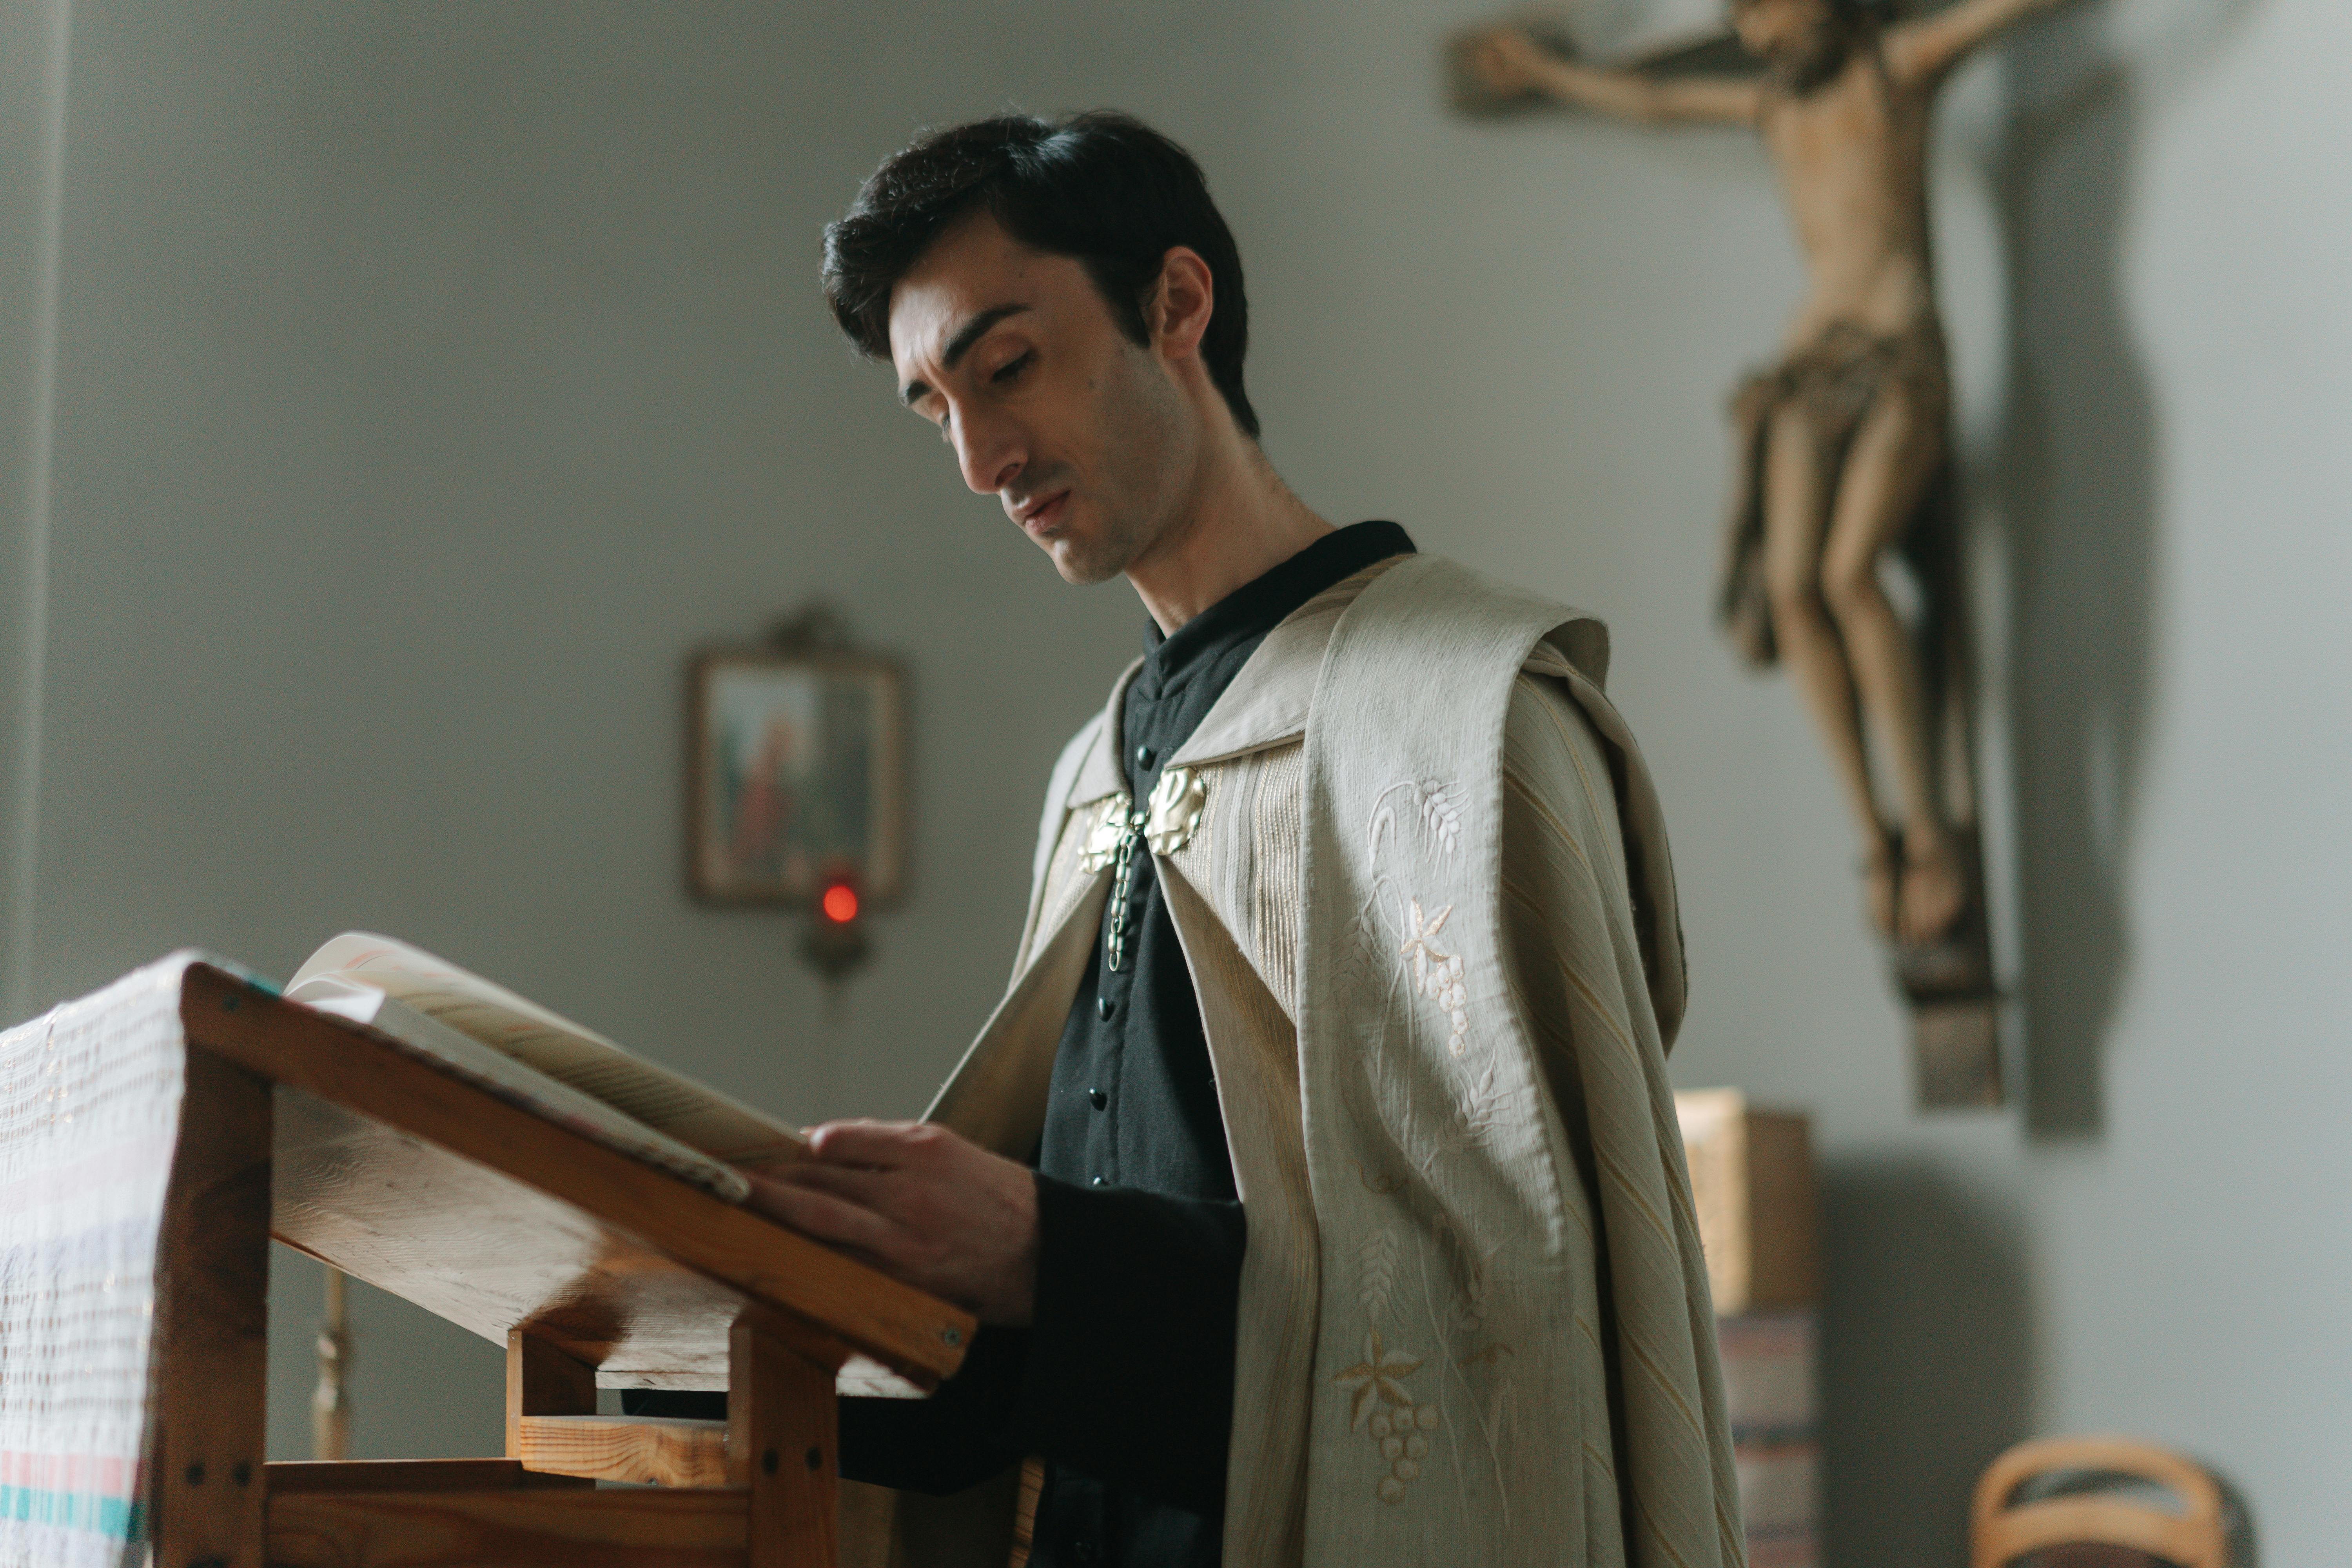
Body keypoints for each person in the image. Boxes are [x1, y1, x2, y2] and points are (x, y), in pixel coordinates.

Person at [731, 111, 1737, 1568]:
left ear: (1177, 304)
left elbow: (1513, 1316)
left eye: (1005, 367)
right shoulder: (1098, 770)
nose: (980, 460)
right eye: (934, 409)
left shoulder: (1472, 719)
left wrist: (1044, 1253)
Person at [1469, 0, 2070, 947]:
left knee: (1847, 573)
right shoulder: (1775, 110)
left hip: (1900, 357)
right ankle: (1873, 840)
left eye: (1764, 10)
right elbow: (1651, 104)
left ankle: (1927, 831)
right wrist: (1546, 76)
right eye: (1741, 18)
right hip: (1806, 370)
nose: (1754, 35)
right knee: (1792, 590)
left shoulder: (1895, 70)